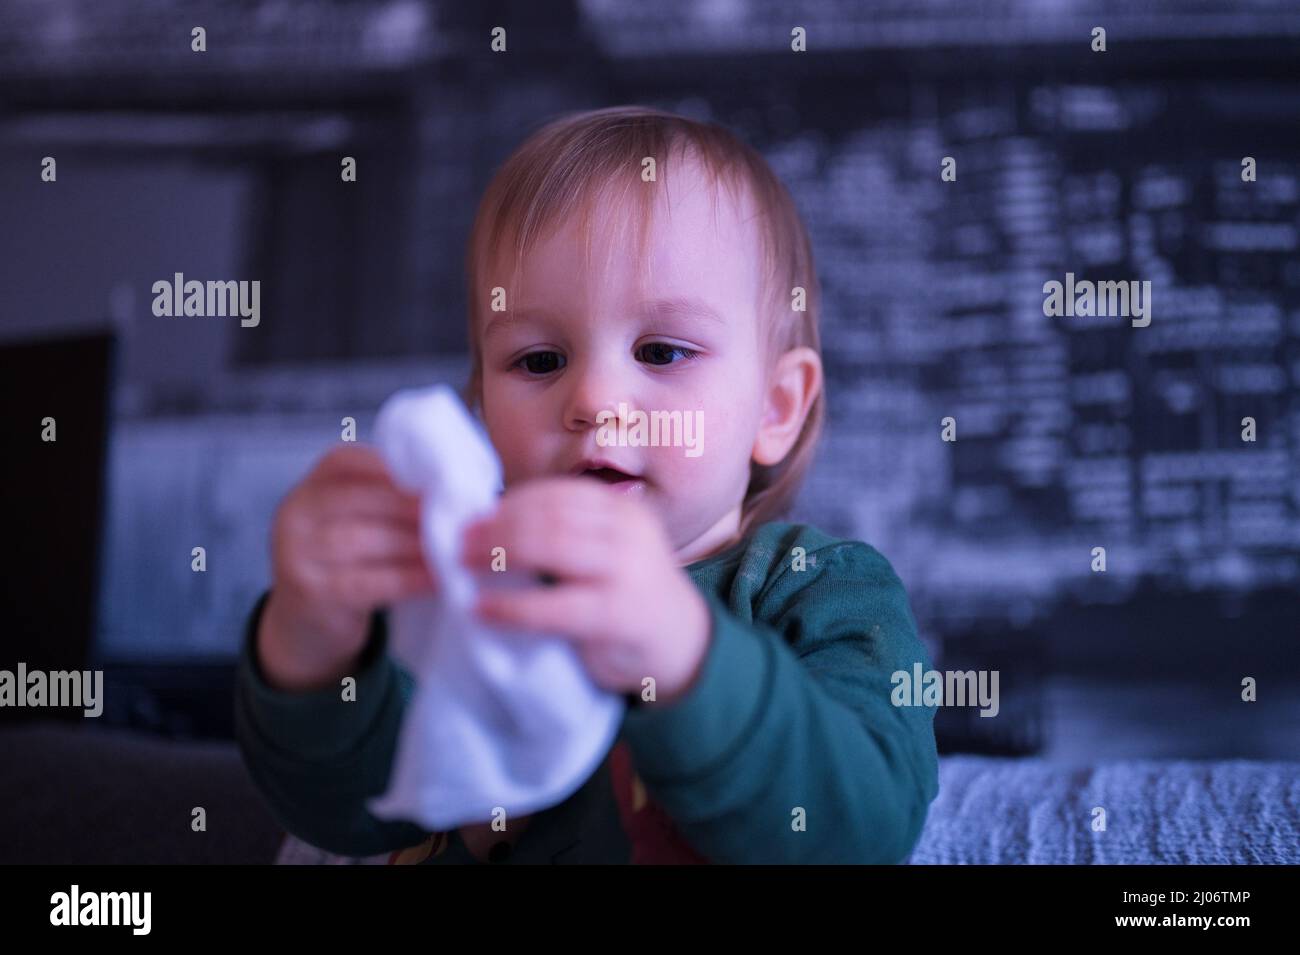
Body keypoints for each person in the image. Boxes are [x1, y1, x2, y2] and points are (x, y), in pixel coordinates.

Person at [235, 105, 939, 864]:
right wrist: (312, 642)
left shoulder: (822, 591)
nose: (595, 401)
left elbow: (867, 825)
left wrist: (686, 655)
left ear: (775, 406)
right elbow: (356, 810)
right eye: (538, 361)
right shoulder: (473, 584)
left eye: (663, 351)